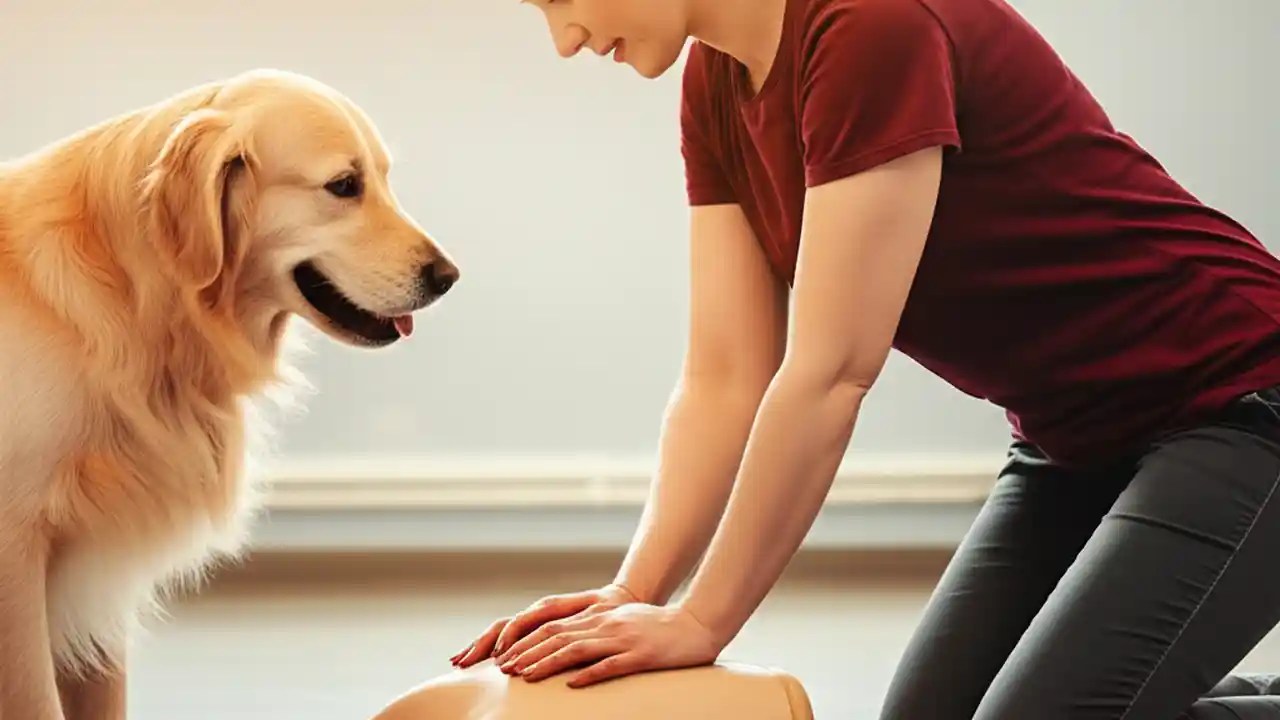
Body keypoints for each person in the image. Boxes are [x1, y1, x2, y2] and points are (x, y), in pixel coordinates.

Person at [451, 0, 1280, 717]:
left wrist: (703, 620)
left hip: (1243, 403)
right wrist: (637, 593)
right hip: (1076, 442)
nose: (564, 39)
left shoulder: (873, 25)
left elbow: (830, 373)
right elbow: (725, 377)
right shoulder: (716, 83)